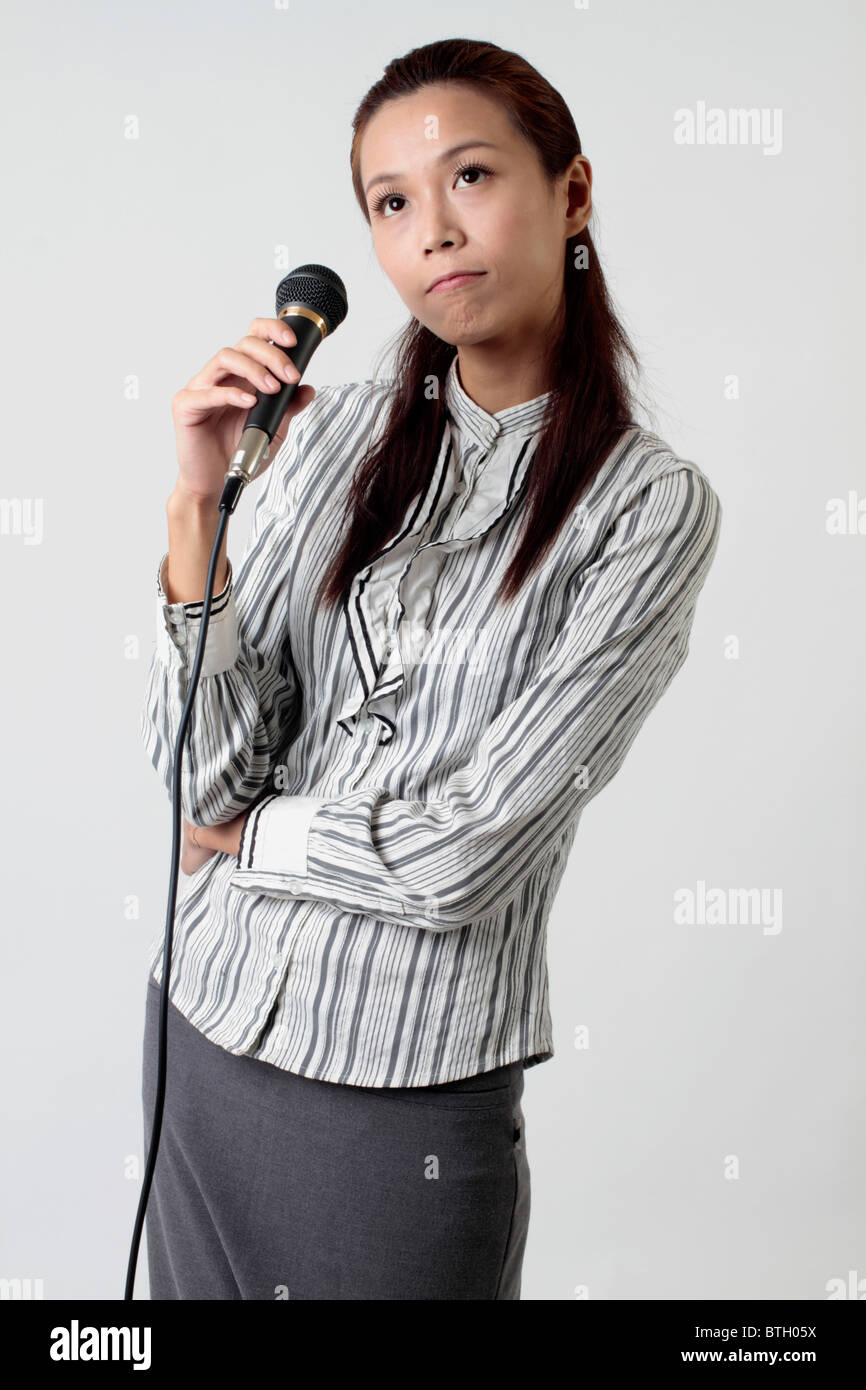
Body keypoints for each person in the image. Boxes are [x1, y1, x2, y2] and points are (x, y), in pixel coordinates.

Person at [140, 37, 722, 1301]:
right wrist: (199, 508)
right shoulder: (336, 431)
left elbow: (466, 855)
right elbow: (197, 773)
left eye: (470, 177)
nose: (433, 232)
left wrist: (252, 842)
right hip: (201, 1022)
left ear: (570, 194)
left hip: (396, 1096)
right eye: (391, 204)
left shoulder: (643, 510)